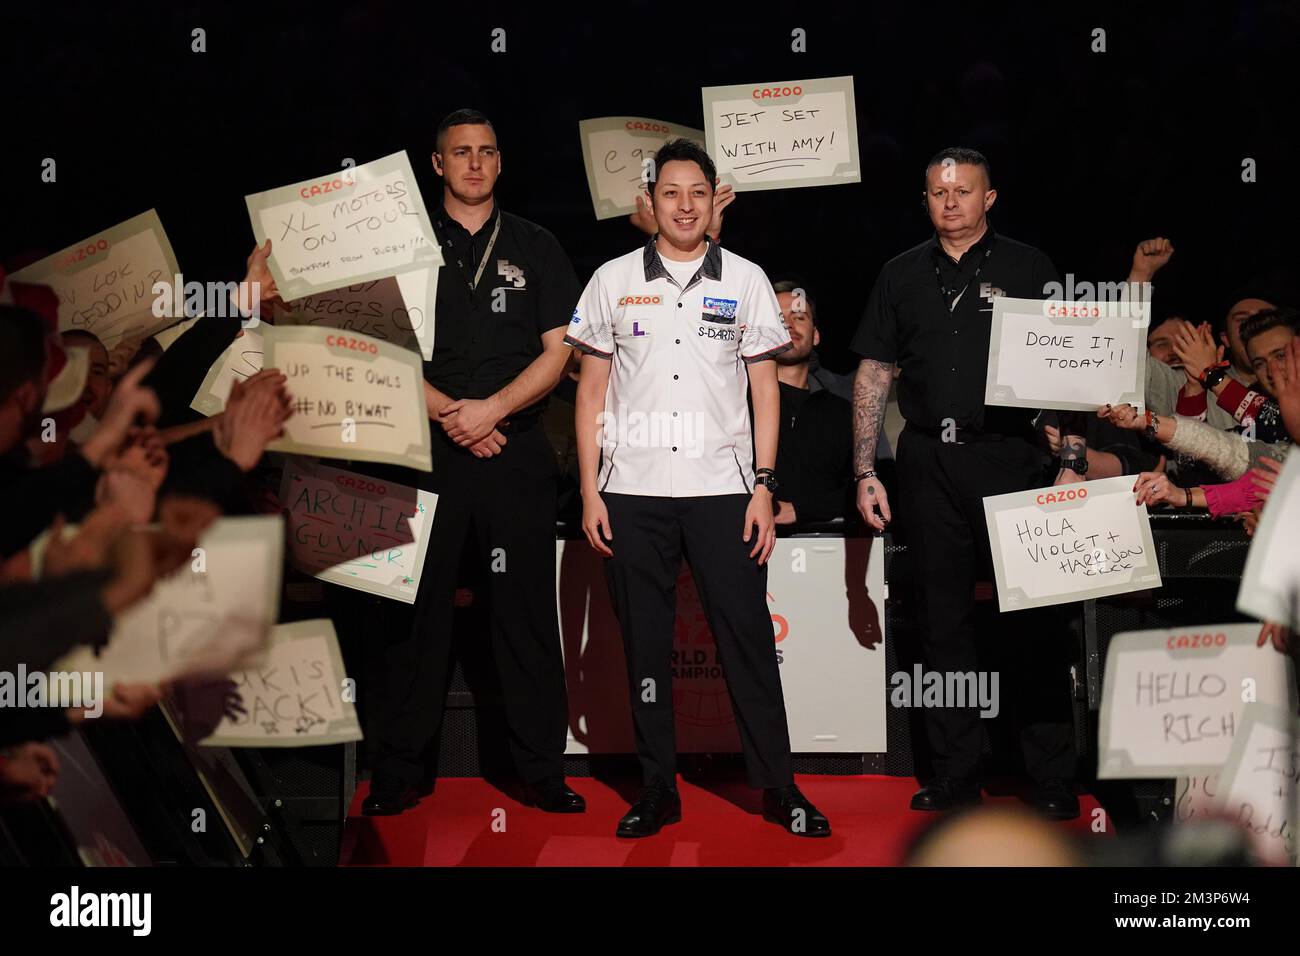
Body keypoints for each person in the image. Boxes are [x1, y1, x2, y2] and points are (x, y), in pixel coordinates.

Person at [569, 138, 830, 838]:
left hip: (724, 490)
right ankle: (657, 788)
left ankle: (779, 787)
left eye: (697, 193)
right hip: (633, 491)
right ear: (649, 201)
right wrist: (592, 491)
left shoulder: (746, 279)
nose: (684, 205)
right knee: (644, 650)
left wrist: (764, 486)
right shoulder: (610, 279)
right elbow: (590, 392)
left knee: (746, 640)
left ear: (715, 200)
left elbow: (764, 391)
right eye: (671, 192)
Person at [363, 109, 585, 816]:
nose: (475, 163)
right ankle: (401, 771)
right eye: (460, 152)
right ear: (436, 164)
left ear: (499, 161)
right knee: (415, 615)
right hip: (423, 450)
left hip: (513, 451)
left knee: (523, 614)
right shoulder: (400, 248)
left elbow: (561, 351)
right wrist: (453, 414)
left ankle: (540, 770)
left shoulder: (536, 244)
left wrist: (491, 411)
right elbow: (377, 351)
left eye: (487, 151)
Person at [851, 147, 1082, 818]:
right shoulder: (899, 274)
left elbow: (1068, 370)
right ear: (925, 200)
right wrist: (867, 468)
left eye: (963, 190)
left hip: (1010, 456)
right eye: (936, 191)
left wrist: (1069, 459)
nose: (949, 201)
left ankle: (1049, 777)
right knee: (941, 622)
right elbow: (874, 373)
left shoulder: (1028, 267)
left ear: (990, 197)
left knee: (1034, 616)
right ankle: (956, 772)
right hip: (926, 461)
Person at [769, 280, 856, 524]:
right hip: (745, 547)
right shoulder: (738, 405)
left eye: (799, 317)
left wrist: (799, 510)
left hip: (828, 548)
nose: (788, 323)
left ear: (816, 335)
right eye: (778, 317)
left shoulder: (842, 412)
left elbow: (864, 488)